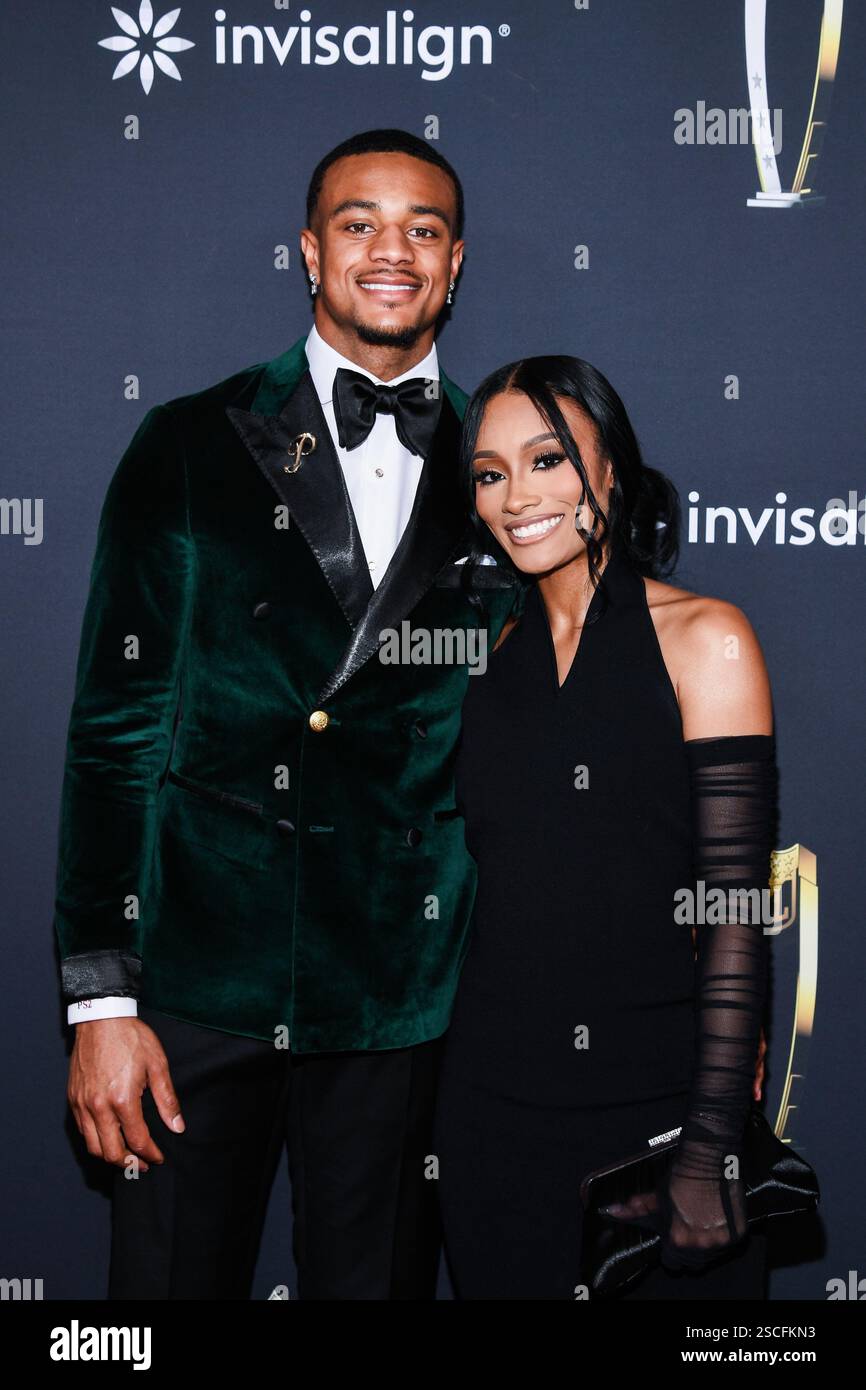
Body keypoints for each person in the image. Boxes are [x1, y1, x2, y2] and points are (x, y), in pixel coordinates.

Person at [54, 128, 517, 1300]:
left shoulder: (507, 467)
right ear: (308, 251)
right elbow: (113, 736)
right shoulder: (188, 442)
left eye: (421, 229)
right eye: (359, 224)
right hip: (199, 982)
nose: (391, 252)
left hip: (397, 987)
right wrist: (102, 998)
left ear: (455, 263)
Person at [433, 355, 778, 1299]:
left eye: (548, 459)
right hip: (491, 1119)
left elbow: (736, 910)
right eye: (491, 474)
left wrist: (710, 1144)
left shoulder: (707, 638)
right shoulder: (479, 663)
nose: (517, 496)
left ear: (610, 468)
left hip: (657, 1116)